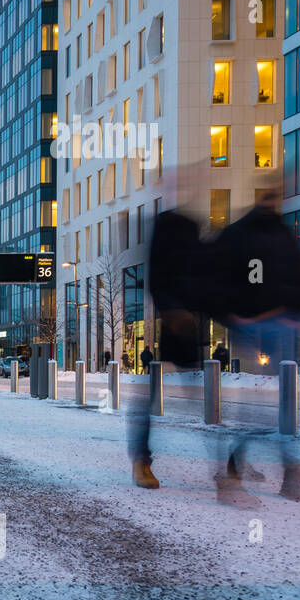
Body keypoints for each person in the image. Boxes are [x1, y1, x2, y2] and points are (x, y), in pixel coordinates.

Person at [210, 185, 300, 505]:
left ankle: (292, 474)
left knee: (284, 408)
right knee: (259, 409)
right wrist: (233, 315)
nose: (274, 200)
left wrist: (297, 313)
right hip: (250, 325)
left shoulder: (281, 234)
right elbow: (217, 277)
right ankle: (233, 471)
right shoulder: (238, 234)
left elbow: (297, 275)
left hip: (281, 324)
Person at [130, 209, 212, 490]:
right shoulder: (168, 230)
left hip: (193, 327)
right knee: (154, 398)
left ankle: (228, 464)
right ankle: (141, 458)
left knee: (200, 401)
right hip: (176, 328)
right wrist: (173, 311)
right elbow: (158, 281)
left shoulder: (196, 237)